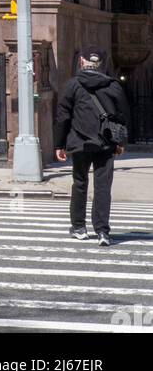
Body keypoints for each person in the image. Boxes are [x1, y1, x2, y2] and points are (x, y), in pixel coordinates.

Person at [54, 47, 131, 246]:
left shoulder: (73, 85)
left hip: (80, 143)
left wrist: (59, 144)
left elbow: (63, 116)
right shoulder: (112, 85)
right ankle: (103, 231)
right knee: (103, 187)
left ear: (81, 62)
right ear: (101, 64)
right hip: (106, 144)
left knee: (80, 184)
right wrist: (121, 142)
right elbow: (123, 115)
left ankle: (79, 227)